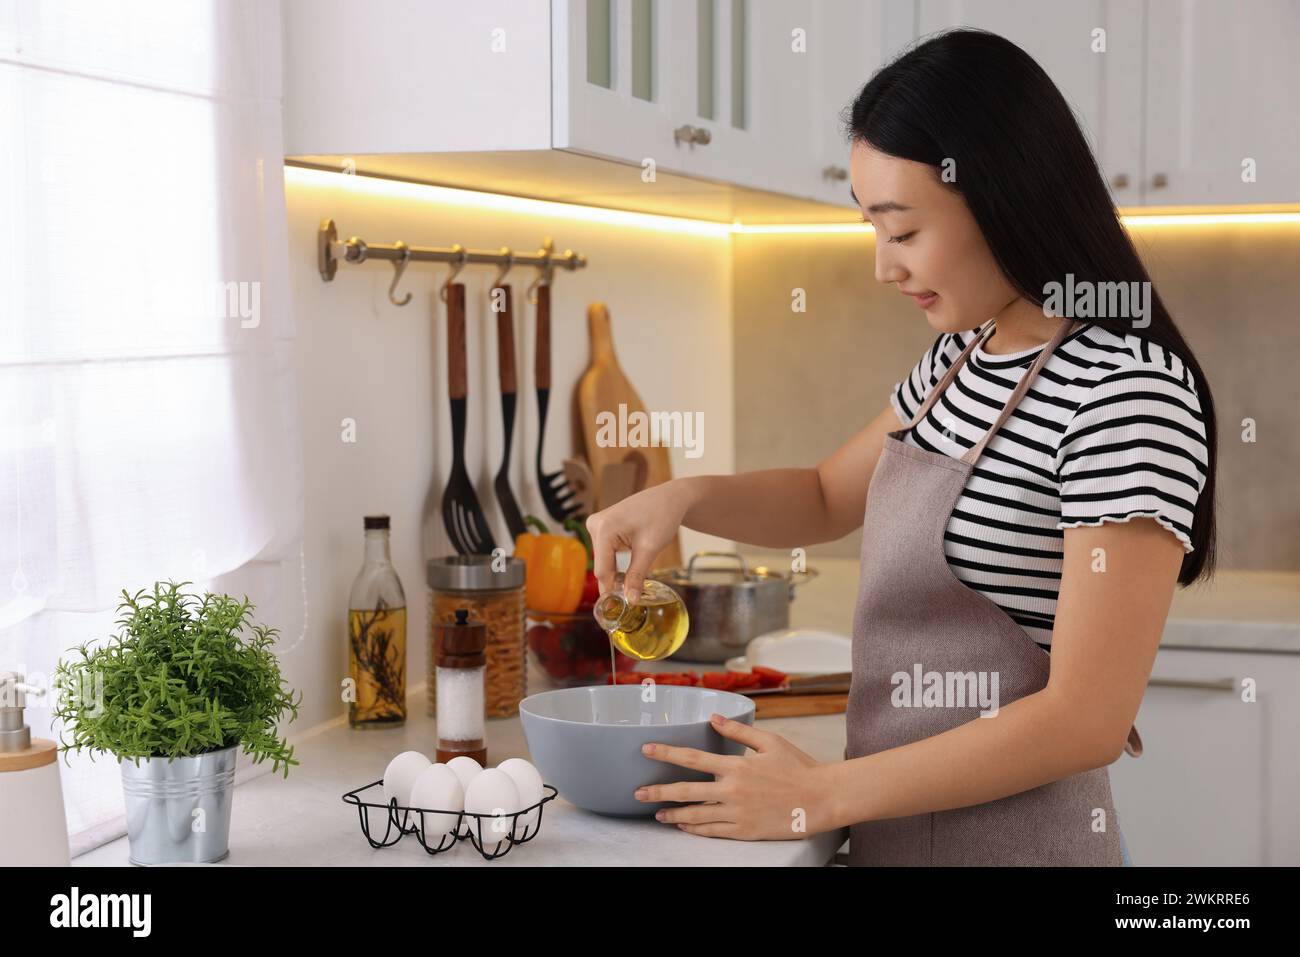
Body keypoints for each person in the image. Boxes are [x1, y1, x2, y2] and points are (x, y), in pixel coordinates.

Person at [585, 29, 1215, 865]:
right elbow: (822, 495)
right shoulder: (962, 356)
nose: (884, 266)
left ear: (1005, 199)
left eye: (904, 230)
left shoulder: (1125, 393)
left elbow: (1087, 718)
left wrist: (825, 793)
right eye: (871, 227)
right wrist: (687, 497)